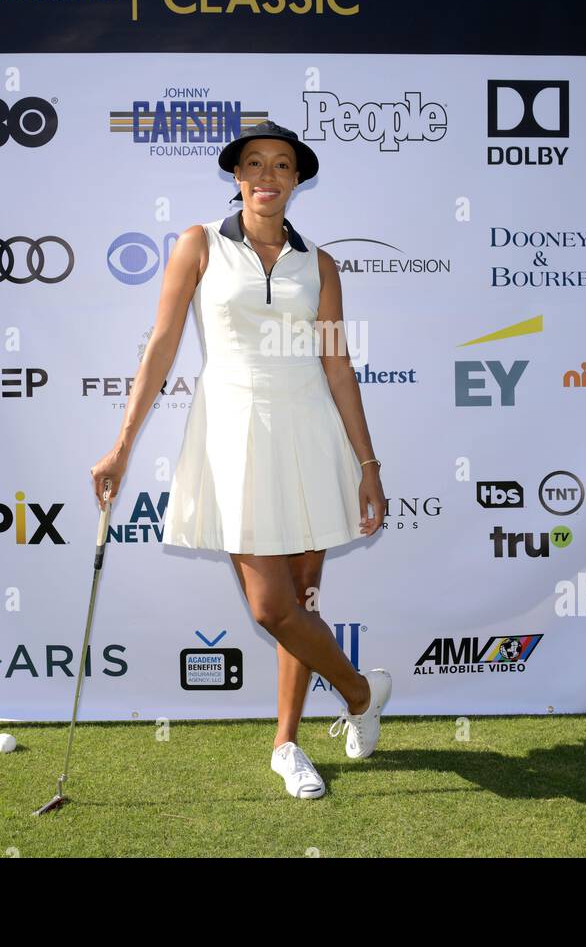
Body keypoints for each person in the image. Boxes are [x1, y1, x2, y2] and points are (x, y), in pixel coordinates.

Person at [89, 120, 392, 800]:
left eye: (281, 165)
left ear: (296, 179)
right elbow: (163, 344)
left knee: (305, 599)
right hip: (230, 432)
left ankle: (288, 743)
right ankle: (362, 691)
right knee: (271, 606)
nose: (267, 175)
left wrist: (368, 464)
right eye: (254, 163)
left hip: (311, 429)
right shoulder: (198, 243)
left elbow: (338, 365)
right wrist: (122, 443)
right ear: (236, 176)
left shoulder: (320, 264)